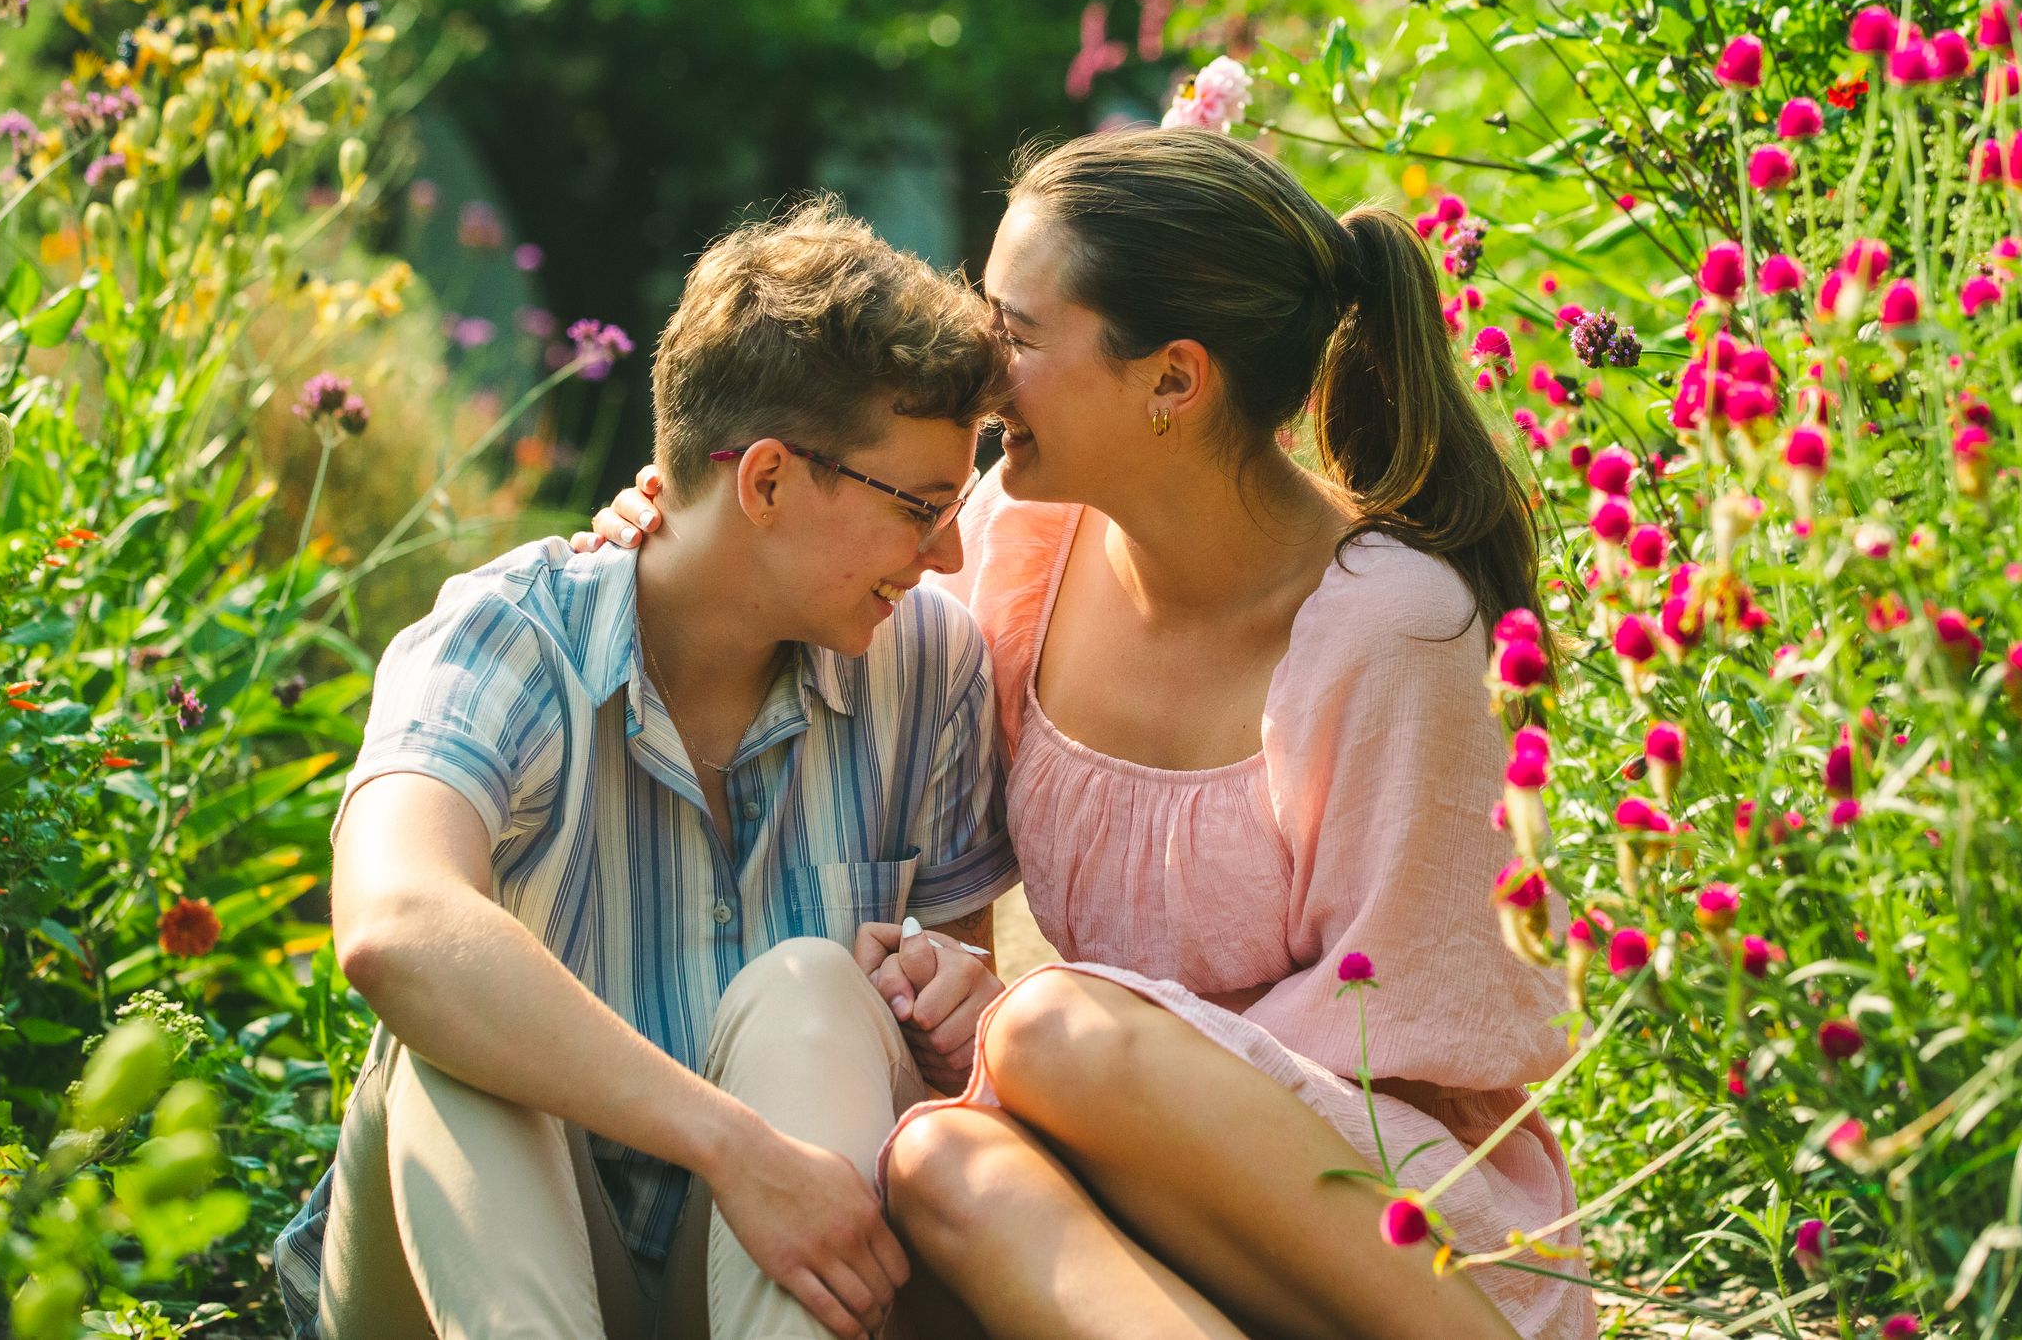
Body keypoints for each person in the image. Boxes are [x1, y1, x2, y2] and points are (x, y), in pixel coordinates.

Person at [577, 127, 1597, 1340]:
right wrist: (691, 538)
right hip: (1132, 1201)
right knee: (936, 1161)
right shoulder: (1018, 544)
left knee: (1048, 1031)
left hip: (1397, 1242)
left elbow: (1416, 1026)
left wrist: (1075, 1047)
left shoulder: (1393, 627)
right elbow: (823, 628)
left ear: (1173, 380)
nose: (977, 366)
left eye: (1014, 332)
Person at [272, 199, 1021, 1340]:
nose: (949, 552)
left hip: (750, 1281)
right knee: (466, 1033)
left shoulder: (930, 667)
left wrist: (954, 1014)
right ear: (765, 482)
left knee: (812, 990)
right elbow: (394, 923)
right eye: (922, 507)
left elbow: (958, 1081)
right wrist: (731, 1145)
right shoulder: (510, 638)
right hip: (470, 1268)